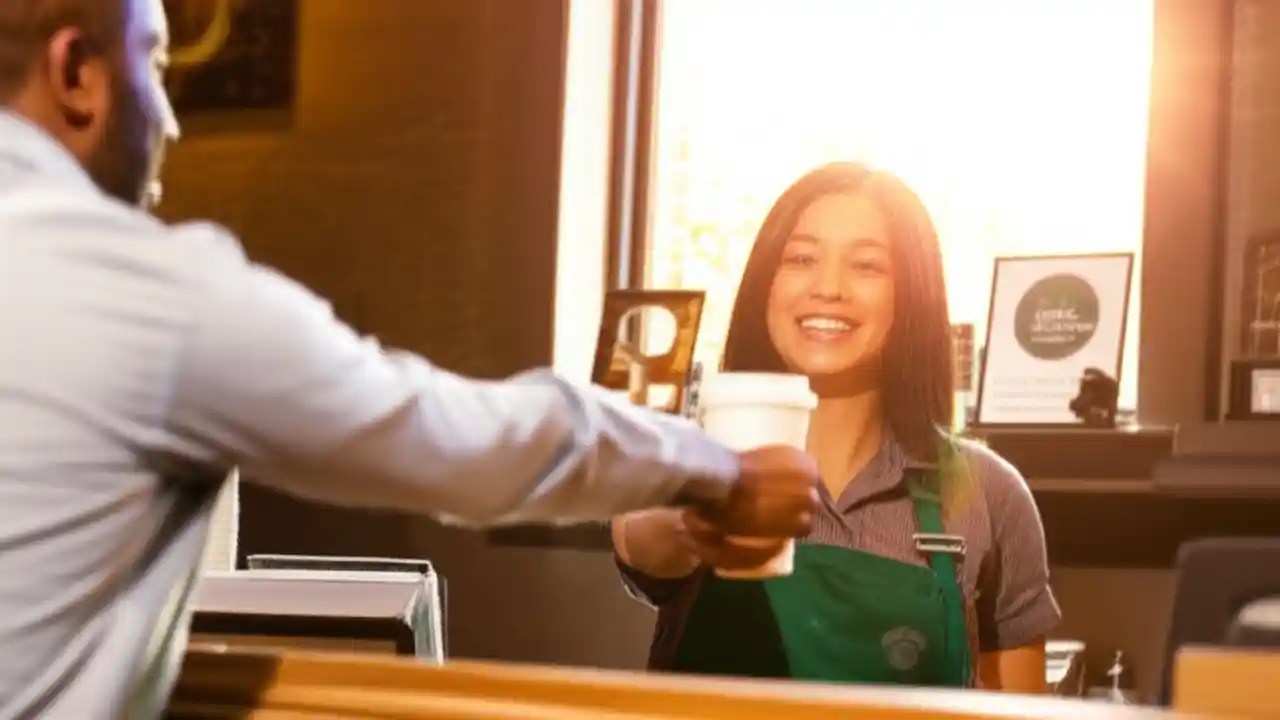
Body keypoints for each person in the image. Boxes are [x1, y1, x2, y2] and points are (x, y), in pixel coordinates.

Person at [0, 1, 820, 717]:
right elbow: (465, 443)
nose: (172, 122)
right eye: (153, 65)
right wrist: (721, 472)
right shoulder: (148, 295)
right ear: (77, 71)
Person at [612, 162, 1060, 692]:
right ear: (766, 285)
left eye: (867, 266)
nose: (828, 288)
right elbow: (642, 538)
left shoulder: (988, 493)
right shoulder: (685, 459)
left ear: (912, 295)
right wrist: (702, 519)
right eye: (802, 258)